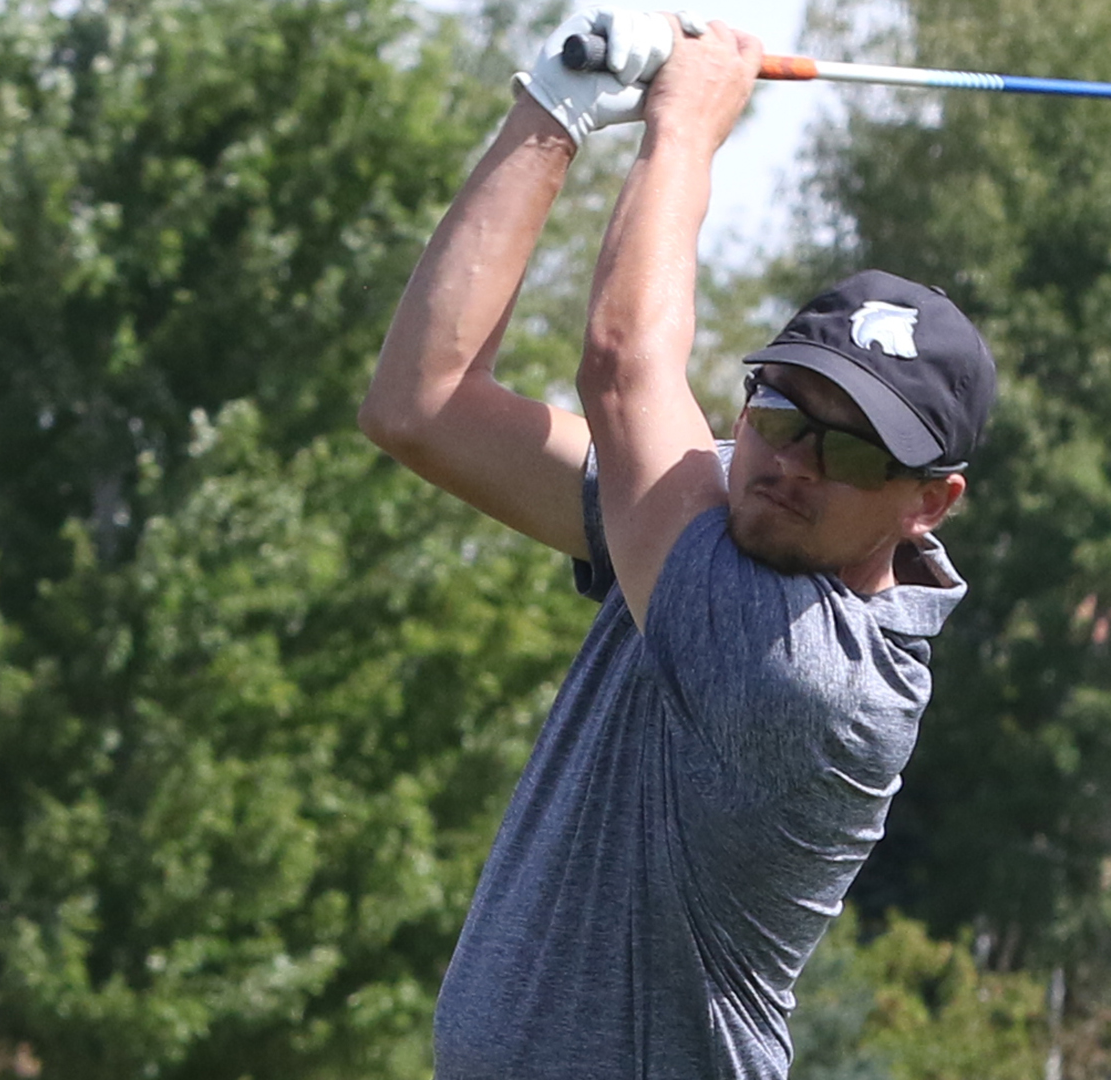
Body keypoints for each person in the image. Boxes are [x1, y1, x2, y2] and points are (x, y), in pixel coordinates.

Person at [357, 7, 996, 1076]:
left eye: (852, 452)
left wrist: (688, 123)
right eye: (782, 416)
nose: (792, 463)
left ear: (928, 504)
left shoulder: (808, 679)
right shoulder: (704, 538)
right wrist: (552, 106)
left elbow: (620, 365)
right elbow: (419, 406)